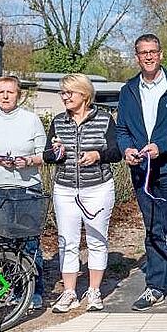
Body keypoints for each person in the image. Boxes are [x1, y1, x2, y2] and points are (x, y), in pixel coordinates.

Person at [117, 34, 167, 316]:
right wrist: (126, 150)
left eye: (153, 52)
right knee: (152, 231)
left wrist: (161, 147)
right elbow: (122, 130)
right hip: (141, 172)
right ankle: (155, 287)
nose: (148, 56)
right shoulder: (128, 91)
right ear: (136, 56)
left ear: (161, 54)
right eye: (143, 52)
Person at [42, 74, 122, 313]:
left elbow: (116, 153)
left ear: (84, 95)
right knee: (67, 241)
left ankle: (94, 291)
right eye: (62, 93)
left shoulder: (105, 119)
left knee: (97, 239)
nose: (65, 97)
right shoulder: (58, 121)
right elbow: (48, 156)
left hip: (97, 188)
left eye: (69, 93)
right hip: (65, 189)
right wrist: (57, 152)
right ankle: (69, 293)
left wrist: (97, 155)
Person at [0, 75, 48, 308]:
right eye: (1, 92)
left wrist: (27, 161)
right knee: (4, 244)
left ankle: (34, 291)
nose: (5, 96)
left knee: (29, 243)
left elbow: (44, 155)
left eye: (10, 92)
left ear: (18, 95)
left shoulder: (31, 120)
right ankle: (12, 290)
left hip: (27, 191)